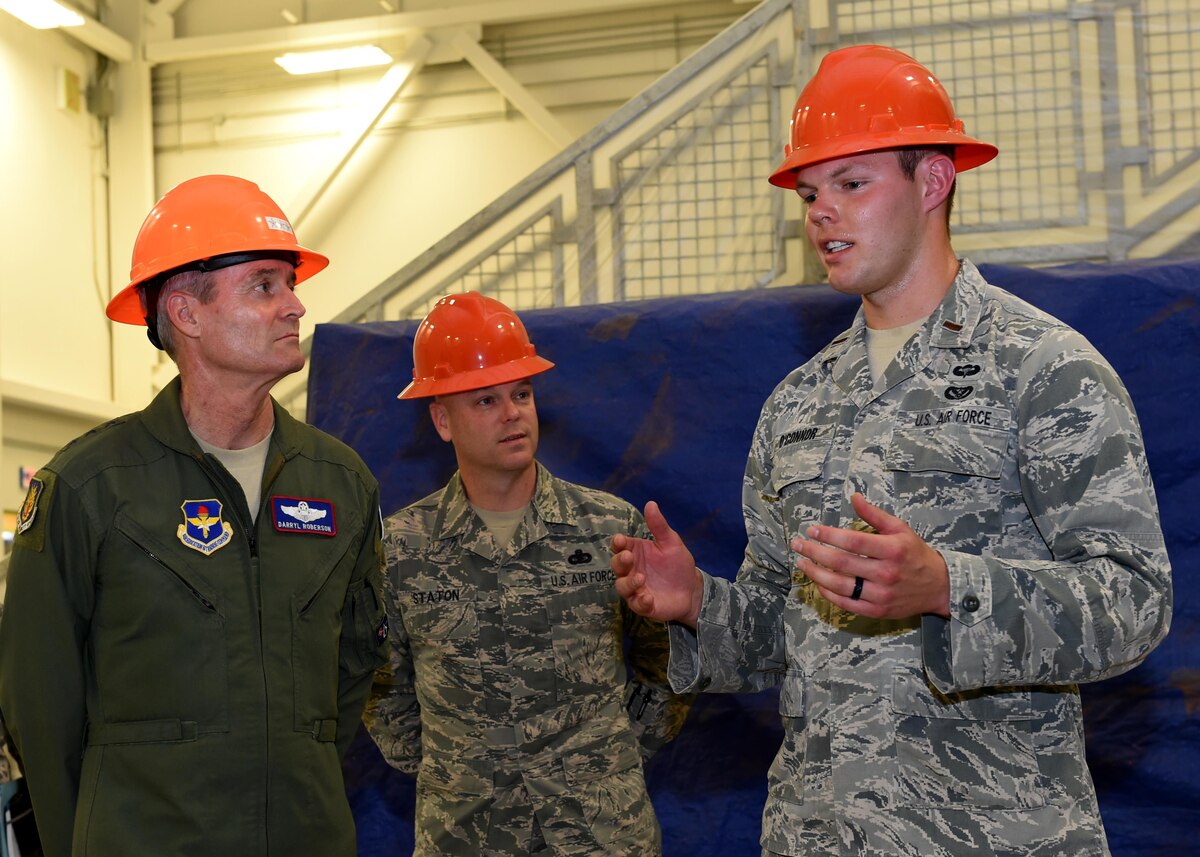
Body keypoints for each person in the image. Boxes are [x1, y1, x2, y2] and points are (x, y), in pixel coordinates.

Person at [610, 44, 1172, 857]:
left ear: (934, 182)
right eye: (810, 193)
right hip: (818, 835)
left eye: (851, 183)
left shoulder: (1045, 369)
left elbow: (1135, 599)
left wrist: (948, 586)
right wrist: (700, 602)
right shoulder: (796, 404)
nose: (820, 213)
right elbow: (783, 630)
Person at [0, 175, 388, 857]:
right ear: (187, 313)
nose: (296, 305)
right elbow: (39, 704)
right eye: (265, 285)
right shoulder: (92, 488)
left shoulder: (340, 483)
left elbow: (354, 667)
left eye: (290, 284)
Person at [364, 292, 693, 856]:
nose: (512, 412)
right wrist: (459, 770)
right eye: (485, 400)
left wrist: (605, 758)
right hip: (465, 834)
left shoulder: (609, 526)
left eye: (522, 393)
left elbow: (666, 662)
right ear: (442, 420)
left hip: (600, 835)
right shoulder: (400, 548)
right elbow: (382, 690)